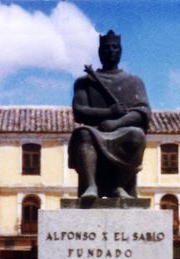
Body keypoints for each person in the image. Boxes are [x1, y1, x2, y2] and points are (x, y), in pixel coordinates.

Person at [68, 30, 151, 205]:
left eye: (115, 47)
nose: (111, 51)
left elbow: (142, 112)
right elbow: (79, 110)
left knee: (137, 135)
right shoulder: (85, 82)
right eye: (106, 47)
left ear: (120, 51)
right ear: (99, 52)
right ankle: (91, 186)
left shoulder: (134, 82)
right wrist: (109, 112)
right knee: (83, 133)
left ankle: (120, 186)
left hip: (122, 130)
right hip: (94, 131)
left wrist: (116, 123)